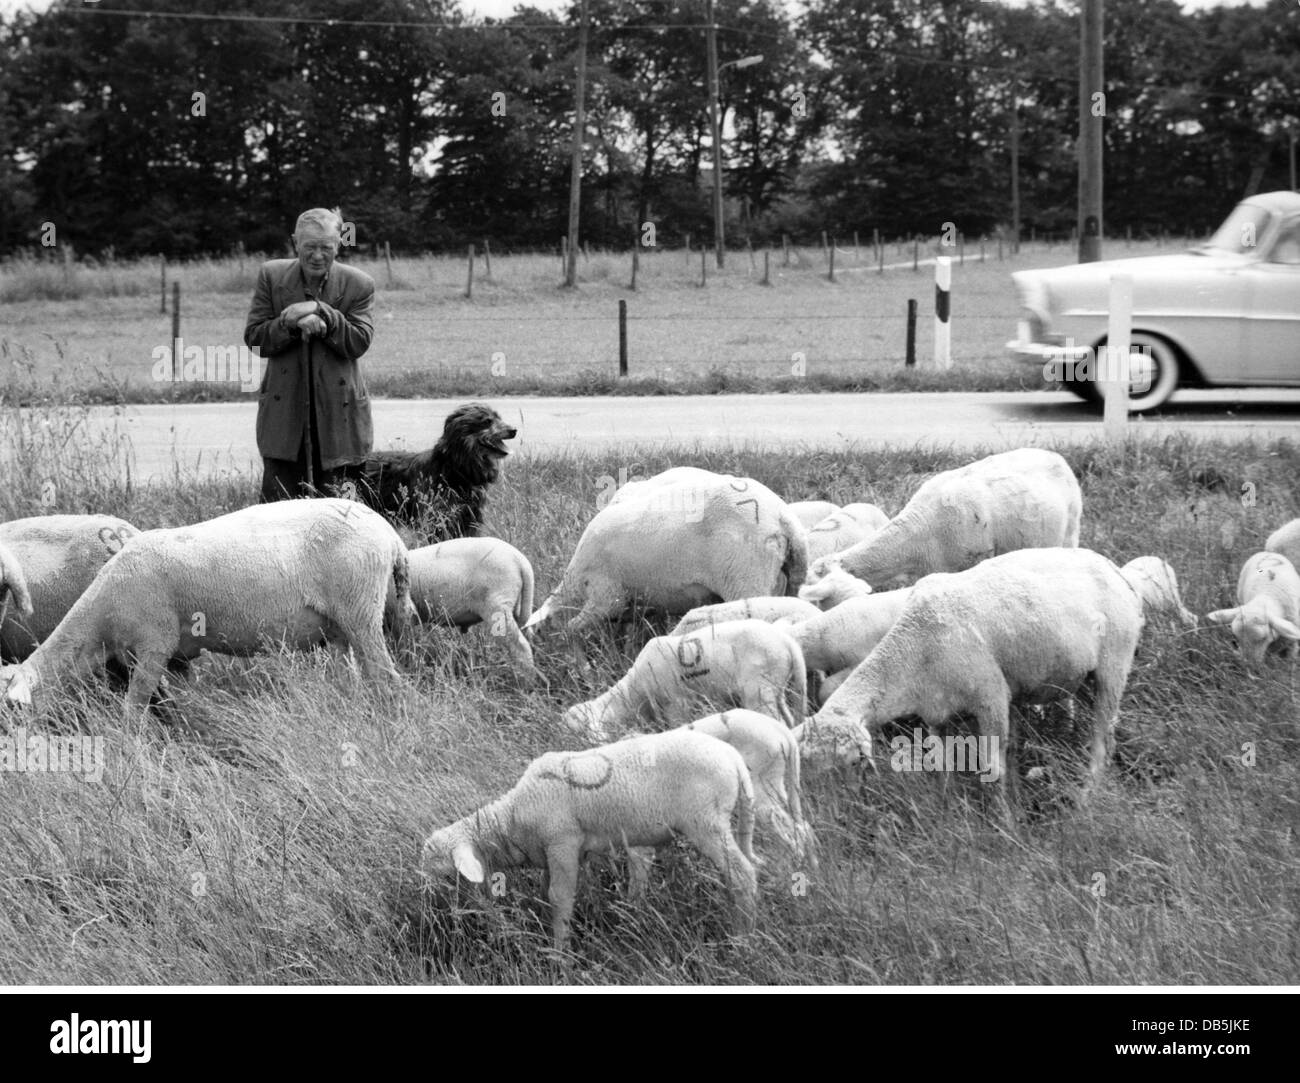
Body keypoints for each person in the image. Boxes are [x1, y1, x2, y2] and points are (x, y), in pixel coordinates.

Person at [244, 207, 376, 502]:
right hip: (284, 419)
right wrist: (289, 322)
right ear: (295, 243)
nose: (317, 255)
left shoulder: (359, 284)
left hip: (341, 421)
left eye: (326, 248)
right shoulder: (271, 275)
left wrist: (321, 312)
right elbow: (255, 339)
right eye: (309, 247)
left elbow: (358, 341)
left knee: (343, 517)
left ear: (339, 244)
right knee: (279, 517)